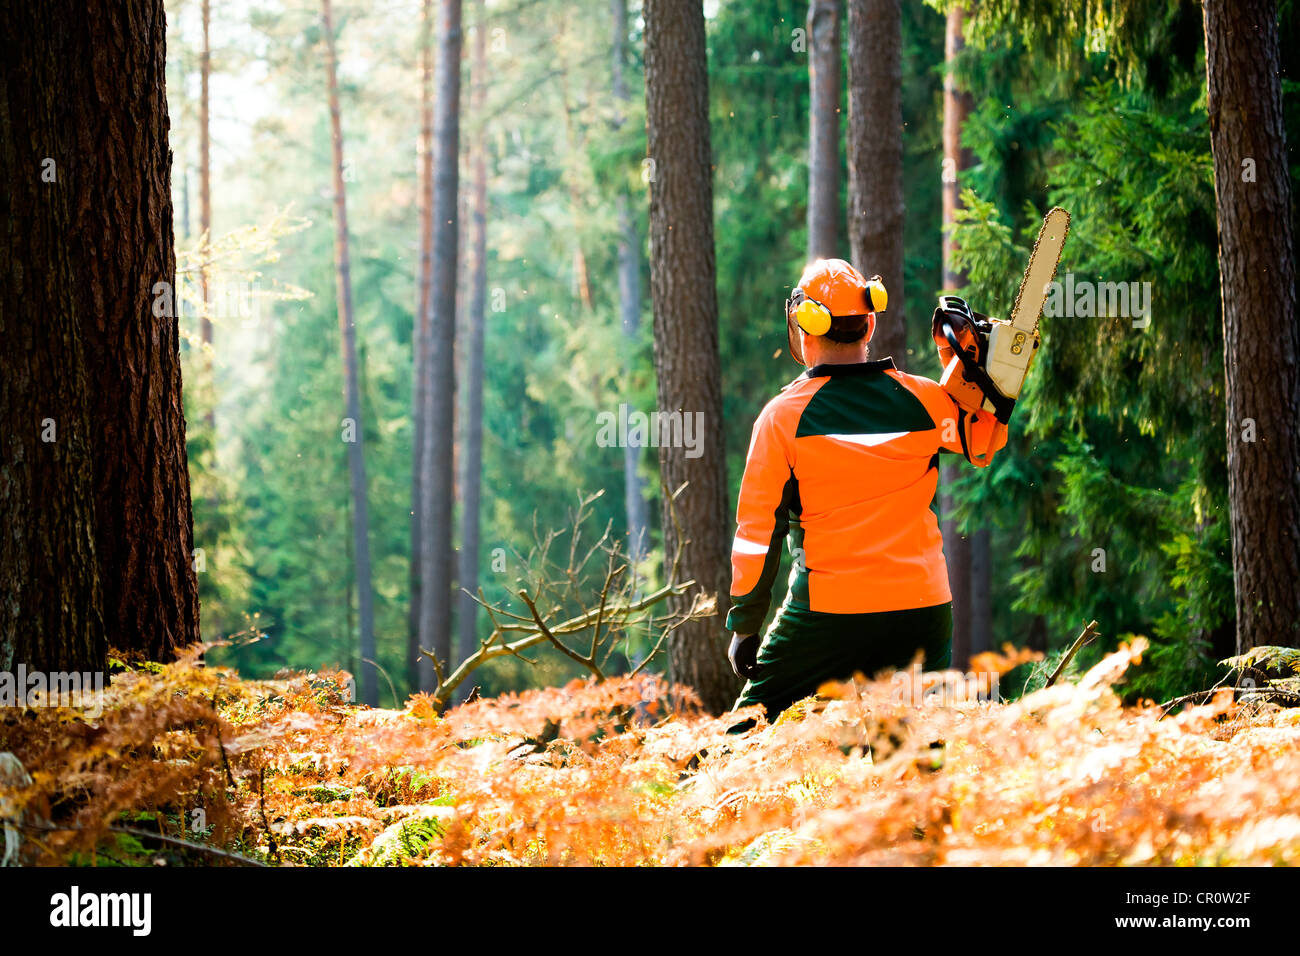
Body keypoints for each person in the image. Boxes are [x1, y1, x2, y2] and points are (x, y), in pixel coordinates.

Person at [725, 258, 1008, 724]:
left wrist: (745, 624)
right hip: (920, 609)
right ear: (869, 321)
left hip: (830, 614)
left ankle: (682, 797)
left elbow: (758, 534)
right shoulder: (925, 400)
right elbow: (980, 441)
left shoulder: (782, 419)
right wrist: (984, 373)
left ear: (803, 328)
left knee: (739, 741)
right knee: (912, 770)